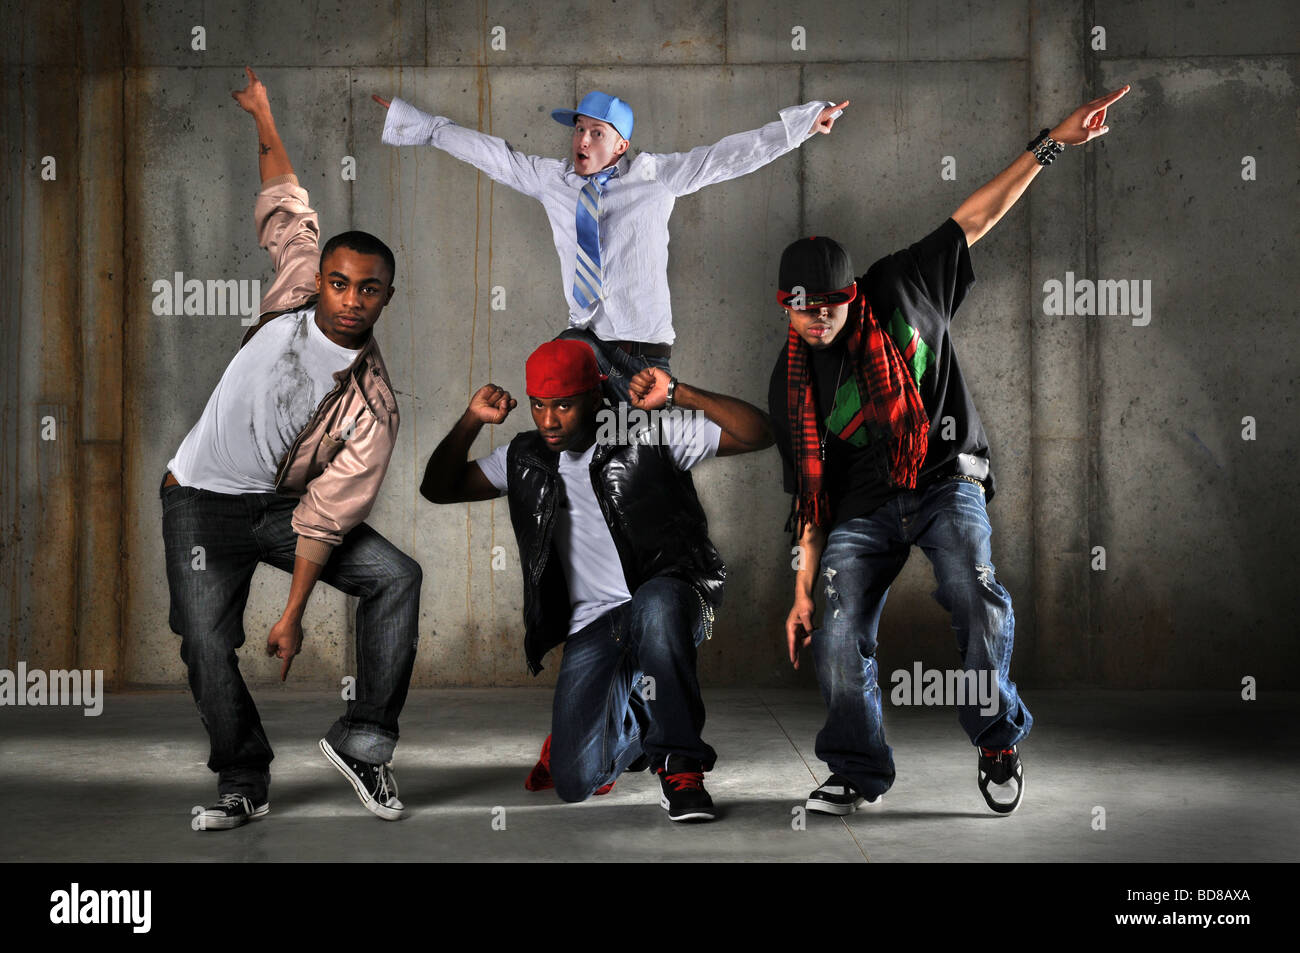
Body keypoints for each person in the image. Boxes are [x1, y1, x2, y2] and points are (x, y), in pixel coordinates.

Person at [769, 86, 1130, 816]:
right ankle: (856, 767)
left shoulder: (903, 285)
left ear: (851, 292)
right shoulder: (792, 384)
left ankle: (997, 736)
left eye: (827, 307)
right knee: (838, 629)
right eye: (798, 309)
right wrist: (804, 590)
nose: (814, 321)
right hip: (863, 508)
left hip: (944, 477)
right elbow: (809, 499)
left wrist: (1053, 142)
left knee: (972, 583)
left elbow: (980, 212)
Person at [161, 67, 422, 830]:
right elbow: (288, 202)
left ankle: (365, 741)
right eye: (340, 283)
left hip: (279, 512)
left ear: (385, 297)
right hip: (198, 500)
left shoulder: (372, 407)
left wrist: (295, 609)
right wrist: (264, 115)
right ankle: (244, 777)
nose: (349, 298)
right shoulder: (295, 290)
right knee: (205, 643)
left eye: (367, 289)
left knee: (395, 576)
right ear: (325, 282)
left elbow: (325, 513)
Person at [421, 340, 771, 821]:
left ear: (595, 395)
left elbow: (759, 433)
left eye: (563, 404)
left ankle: (680, 762)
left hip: (668, 596)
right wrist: (471, 420)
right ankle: (634, 724)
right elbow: (438, 488)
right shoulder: (525, 458)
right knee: (574, 781)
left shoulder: (649, 434)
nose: (548, 420)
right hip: (594, 626)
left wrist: (680, 393)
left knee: (655, 604)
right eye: (539, 405)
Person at [374, 88, 848, 401]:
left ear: (620, 146)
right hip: (586, 341)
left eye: (595, 133)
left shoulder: (656, 175)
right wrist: (421, 125)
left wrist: (803, 126)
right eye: (578, 129)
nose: (581, 140)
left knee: (633, 466)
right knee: (572, 442)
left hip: (644, 349)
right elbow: (494, 156)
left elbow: (728, 157)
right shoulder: (553, 179)